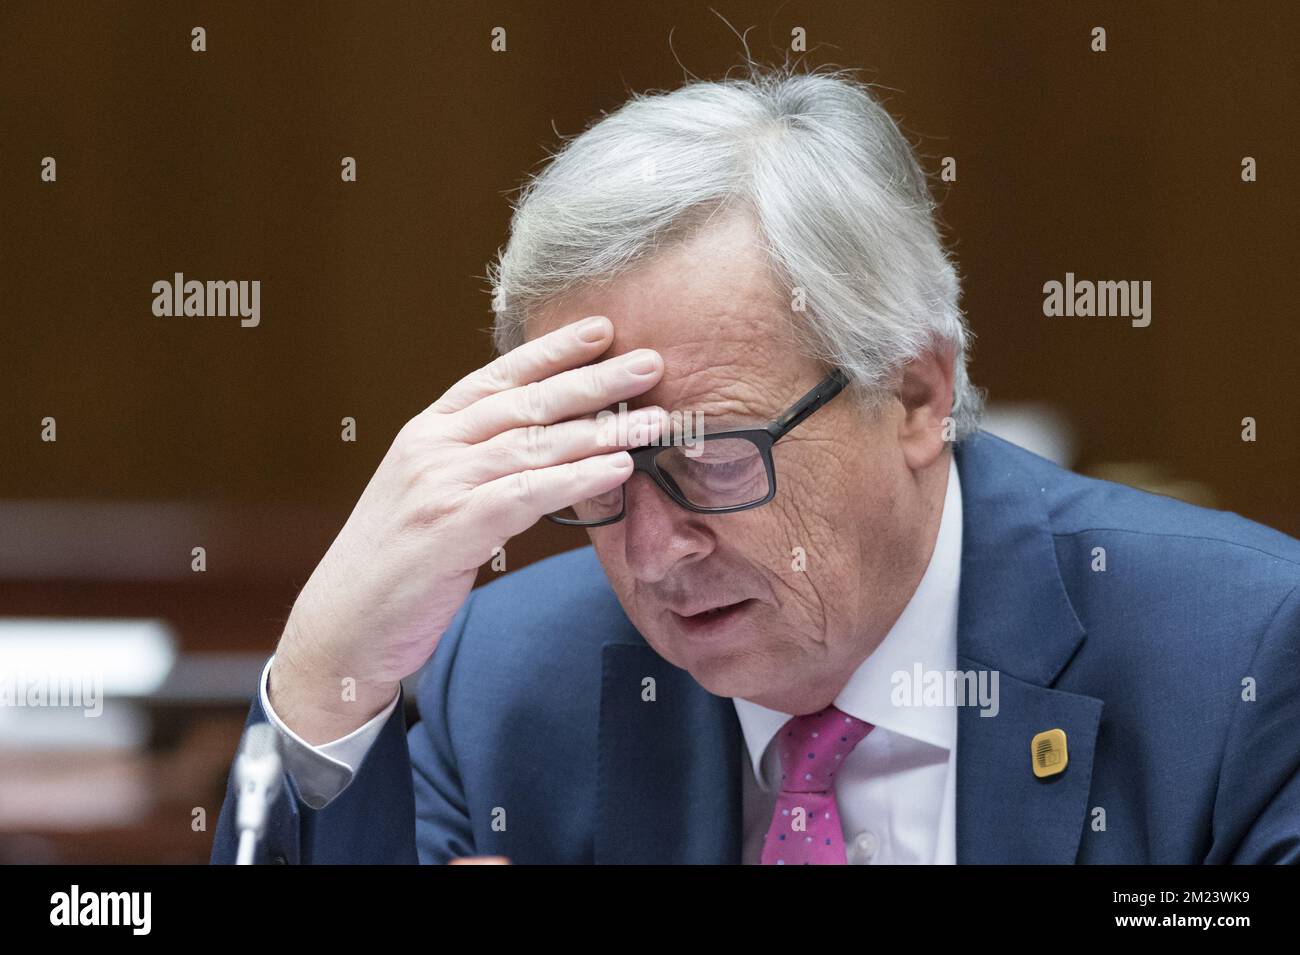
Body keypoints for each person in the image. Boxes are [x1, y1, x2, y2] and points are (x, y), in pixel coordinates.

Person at [212, 65, 1300, 864]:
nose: (650, 550)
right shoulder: (507, 680)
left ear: (914, 393)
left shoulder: (1239, 658)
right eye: (596, 473)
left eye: (712, 456)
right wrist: (325, 668)